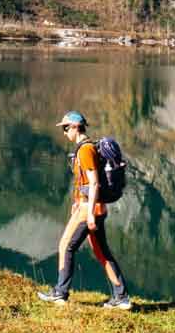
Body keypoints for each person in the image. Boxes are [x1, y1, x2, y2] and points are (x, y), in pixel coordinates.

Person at [38, 111, 131, 309]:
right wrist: (78, 201)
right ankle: (121, 298)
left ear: (74, 127)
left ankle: (60, 293)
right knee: (102, 252)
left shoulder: (85, 150)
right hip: (95, 207)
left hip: (89, 209)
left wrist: (88, 213)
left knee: (66, 245)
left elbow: (95, 182)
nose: (64, 133)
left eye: (65, 128)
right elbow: (85, 182)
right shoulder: (89, 147)